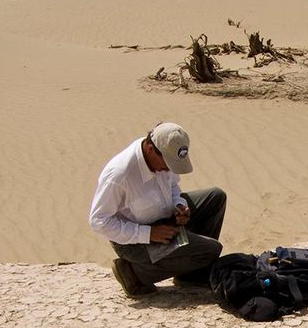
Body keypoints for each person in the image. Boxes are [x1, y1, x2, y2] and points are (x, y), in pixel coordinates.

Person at [89, 122, 227, 298]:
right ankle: (135, 274)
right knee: (211, 249)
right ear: (150, 149)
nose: (169, 168)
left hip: (162, 217)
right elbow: (99, 221)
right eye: (167, 163)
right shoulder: (119, 174)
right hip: (134, 242)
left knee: (215, 196)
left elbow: (173, 185)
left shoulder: (164, 154)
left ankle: (190, 274)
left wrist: (178, 205)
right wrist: (148, 233)